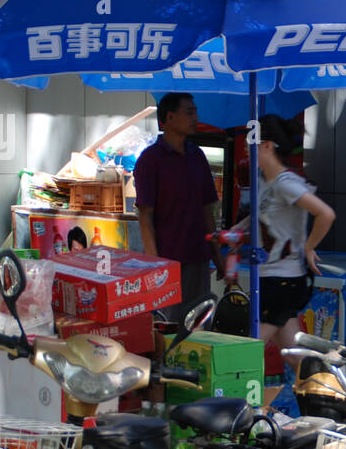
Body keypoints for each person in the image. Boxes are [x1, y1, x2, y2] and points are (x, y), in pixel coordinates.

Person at [230, 114, 334, 351]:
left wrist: (308, 247)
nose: (246, 148)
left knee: (247, 349)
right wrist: (240, 228)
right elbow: (262, 212)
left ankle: (234, 389)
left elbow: (325, 214)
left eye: (250, 143)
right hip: (273, 277)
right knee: (292, 352)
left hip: (283, 280)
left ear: (266, 146)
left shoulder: (285, 183)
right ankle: (321, 384)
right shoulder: (265, 181)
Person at [133, 92, 225, 324]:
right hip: (168, 260)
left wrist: (217, 256)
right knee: (170, 326)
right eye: (189, 112)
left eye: (195, 111)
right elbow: (145, 216)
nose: (195, 117)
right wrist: (155, 264)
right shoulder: (150, 160)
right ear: (170, 118)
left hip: (198, 257)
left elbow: (208, 211)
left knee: (199, 324)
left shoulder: (198, 156)